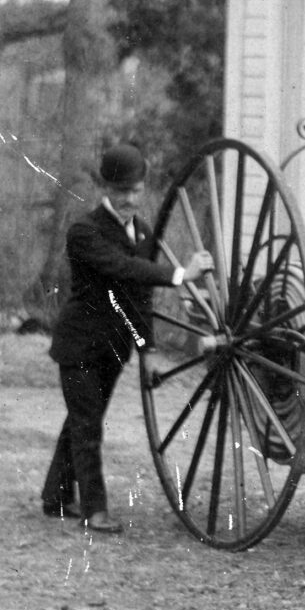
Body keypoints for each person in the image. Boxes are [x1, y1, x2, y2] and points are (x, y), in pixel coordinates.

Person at [42, 144, 211, 533]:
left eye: (136, 191)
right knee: (88, 425)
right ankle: (95, 510)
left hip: (113, 347)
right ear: (106, 188)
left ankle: (55, 496)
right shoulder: (84, 231)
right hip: (79, 344)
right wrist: (180, 274)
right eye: (121, 192)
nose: (129, 200)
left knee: (85, 418)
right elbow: (124, 269)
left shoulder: (142, 232)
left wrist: (147, 350)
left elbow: (139, 298)